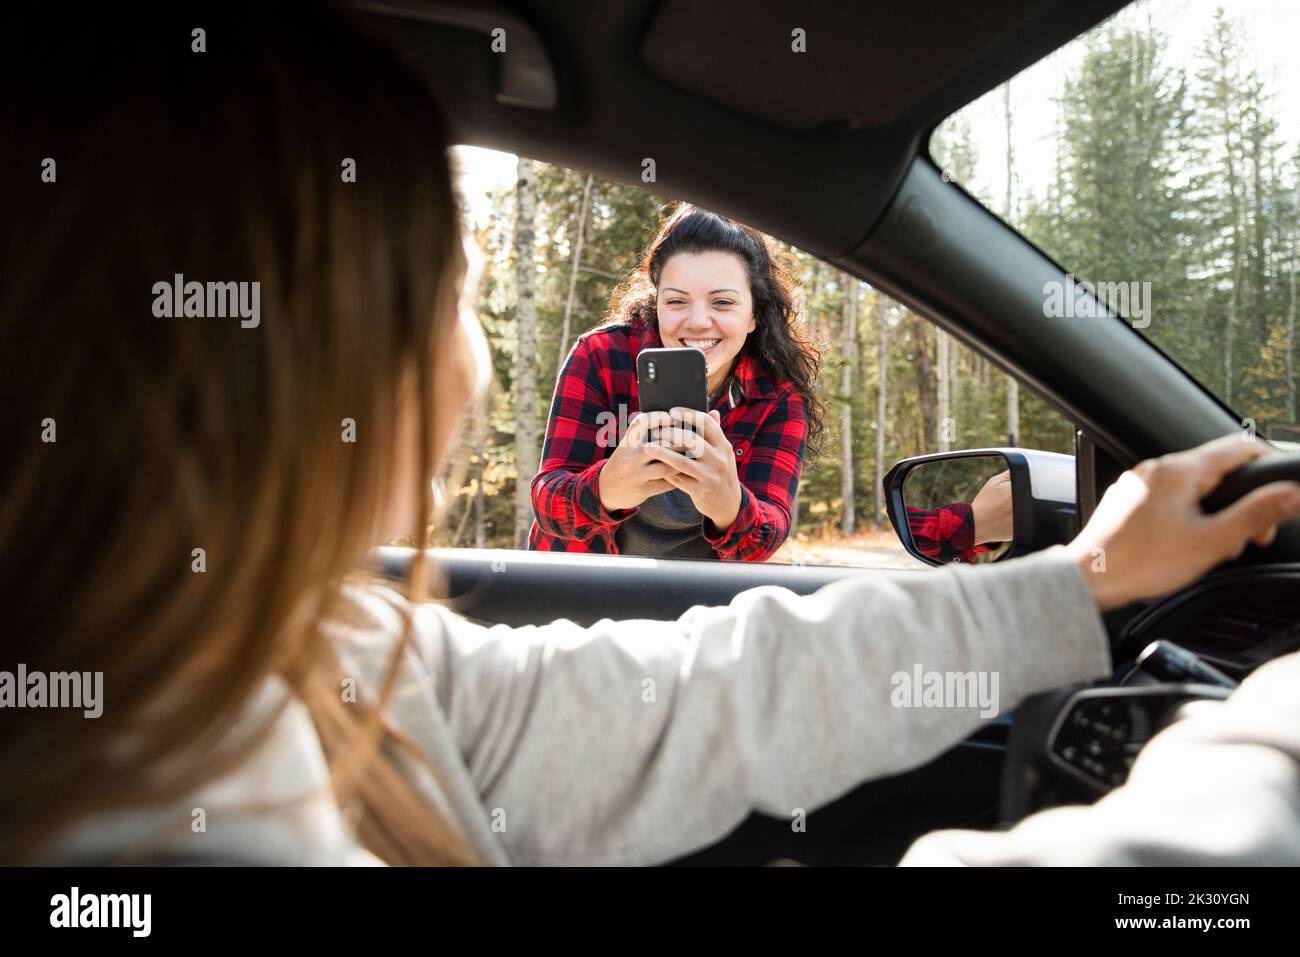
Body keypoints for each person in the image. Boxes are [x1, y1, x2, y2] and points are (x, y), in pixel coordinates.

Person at [5, 2, 1300, 867]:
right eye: (449, 298)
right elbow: (566, 533)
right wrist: (1267, 753)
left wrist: (1084, 580)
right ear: (288, 360)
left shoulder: (319, 642)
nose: (473, 366)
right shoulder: (155, 826)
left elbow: (701, 682)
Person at [528, 202, 825, 561]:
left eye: (722, 302)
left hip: (700, 604)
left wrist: (730, 505)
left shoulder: (777, 395)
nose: (698, 321)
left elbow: (767, 535)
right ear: (658, 304)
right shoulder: (601, 356)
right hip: (583, 588)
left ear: (754, 316)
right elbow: (547, 503)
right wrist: (607, 488)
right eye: (677, 301)